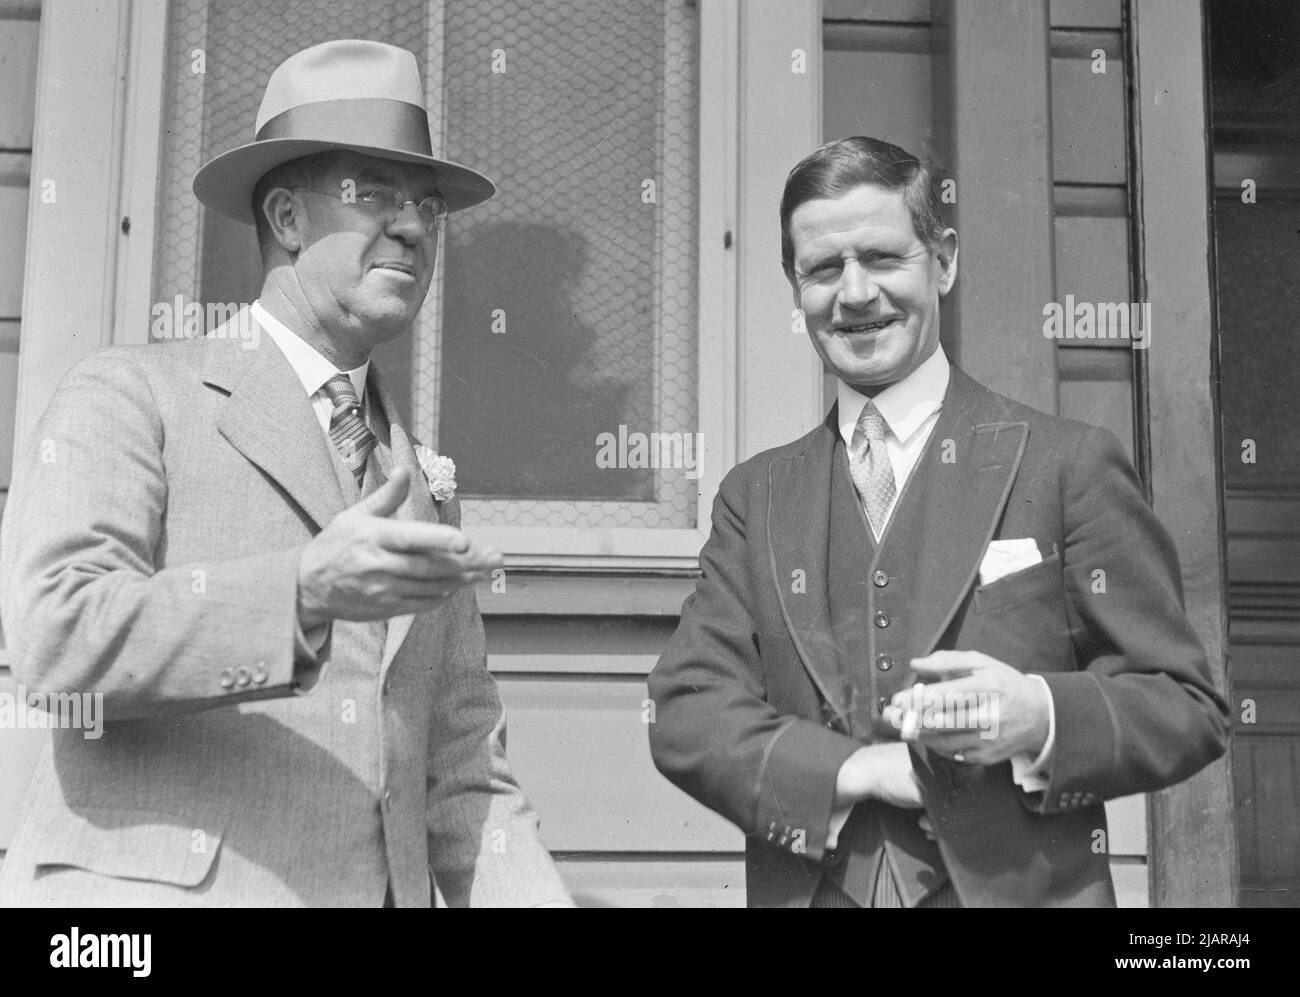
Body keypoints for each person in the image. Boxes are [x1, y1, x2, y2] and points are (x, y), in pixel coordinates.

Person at [0, 39, 570, 907]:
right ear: (288, 218)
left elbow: (464, 772)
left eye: (427, 205)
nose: (414, 226)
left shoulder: (414, 477)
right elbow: (56, 639)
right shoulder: (131, 394)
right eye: (373, 193)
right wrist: (301, 591)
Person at [647, 136, 1229, 908]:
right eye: (824, 269)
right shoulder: (756, 498)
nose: (854, 294)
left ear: (943, 260)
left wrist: (1039, 714)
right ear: (795, 287)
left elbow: (1186, 703)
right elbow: (686, 708)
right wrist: (855, 771)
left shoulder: (1066, 465)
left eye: (884, 258)